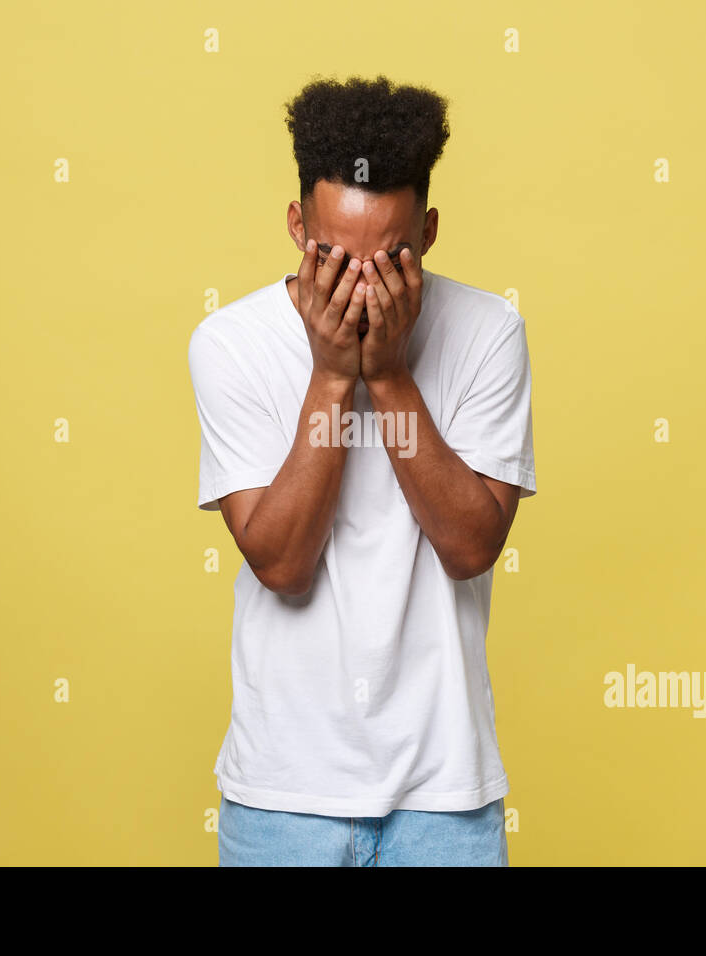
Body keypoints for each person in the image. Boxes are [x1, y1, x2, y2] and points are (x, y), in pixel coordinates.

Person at [187, 75, 537, 866]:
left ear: (431, 231)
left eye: (392, 257)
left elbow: (471, 546)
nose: (361, 285)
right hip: (285, 797)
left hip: (444, 797)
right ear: (295, 225)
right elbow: (280, 563)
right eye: (334, 257)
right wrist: (333, 376)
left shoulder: (487, 331)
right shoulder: (230, 343)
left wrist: (389, 377)